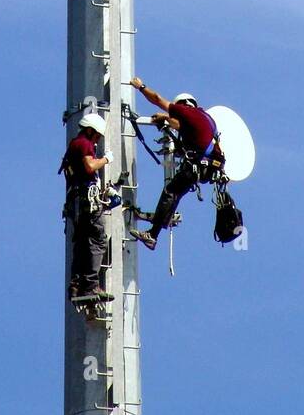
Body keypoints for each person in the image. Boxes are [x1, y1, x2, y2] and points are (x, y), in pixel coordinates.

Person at [127, 77, 225, 250]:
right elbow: (182, 127)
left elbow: (157, 99)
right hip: (207, 168)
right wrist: (165, 119)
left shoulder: (185, 111)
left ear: (182, 105)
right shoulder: (206, 119)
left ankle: (152, 235)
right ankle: (160, 220)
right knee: (175, 193)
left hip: (196, 165)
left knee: (170, 192)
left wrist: (140, 86)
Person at [62, 111, 114, 302]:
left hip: (76, 200)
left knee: (82, 243)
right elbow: (90, 166)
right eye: (97, 135)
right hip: (86, 199)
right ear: (90, 131)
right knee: (98, 239)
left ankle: (76, 285)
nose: (98, 139)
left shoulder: (73, 145)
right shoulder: (83, 143)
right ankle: (91, 285)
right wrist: (106, 159)